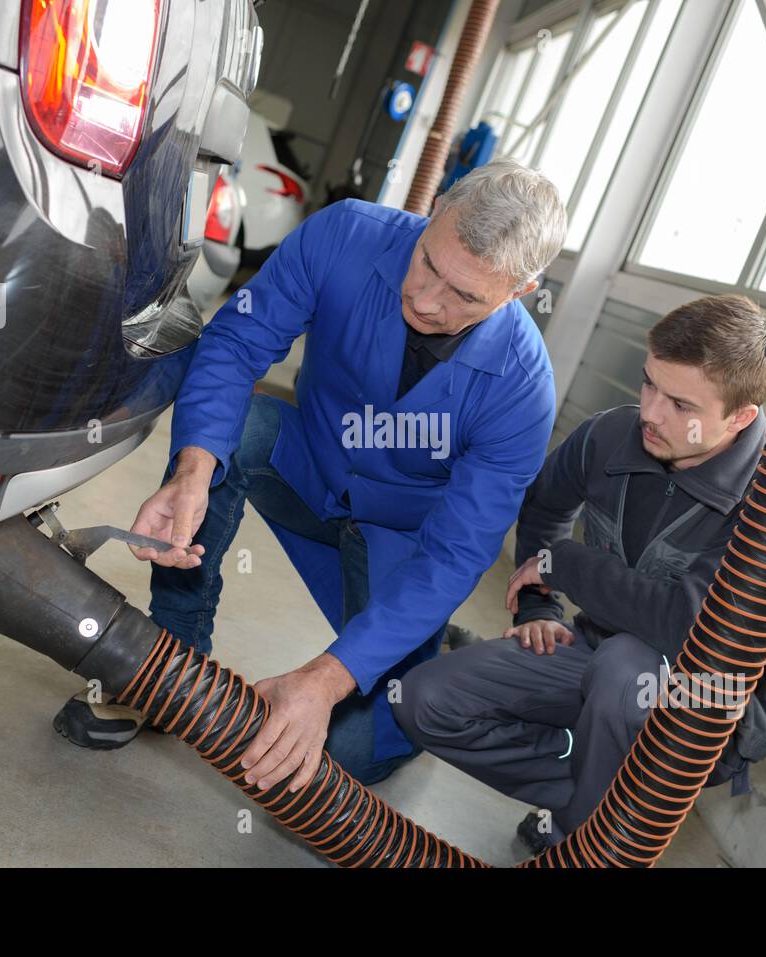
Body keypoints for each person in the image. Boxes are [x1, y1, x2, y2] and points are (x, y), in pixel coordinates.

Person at [53, 160, 567, 797]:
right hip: (310, 470)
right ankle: (169, 666)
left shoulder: (524, 391)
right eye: (429, 263)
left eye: (466, 297)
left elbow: (456, 554)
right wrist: (192, 471)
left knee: (332, 760)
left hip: (400, 542)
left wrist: (325, 680)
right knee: (227, 436)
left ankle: (440, 654)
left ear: (521, 290)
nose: (426, 300)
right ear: (433, 210)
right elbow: (238, 342)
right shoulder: (344, 235)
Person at [393, 294, 766, 852]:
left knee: (627, 673)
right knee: (422, 699)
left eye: (681, 405)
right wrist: (538, 607)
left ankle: (577, 838)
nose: (650, 412)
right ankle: (596, 792)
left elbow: (688, 625)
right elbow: (546, 507)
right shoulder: (611, 435)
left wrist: (568, 565)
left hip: (694, 696)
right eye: (649, 383)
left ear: (741, 417)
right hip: (594, 650)